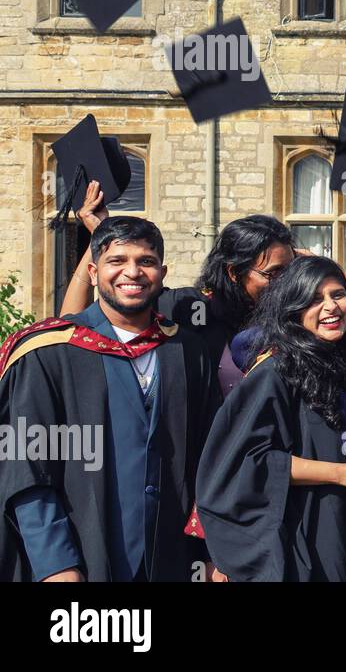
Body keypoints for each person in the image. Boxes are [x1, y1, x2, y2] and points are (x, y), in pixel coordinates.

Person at [0, 217, 223, 581]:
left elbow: (210, 461)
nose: (132, 272)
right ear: (93, 271)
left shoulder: (187, 351)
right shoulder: (49, 354)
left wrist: (213, 551)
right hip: (82, 558)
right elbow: (28, 469)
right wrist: (56, 565)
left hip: (172, 560)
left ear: (162, 272)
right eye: (117, 261)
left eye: (145, 261)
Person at [195, 256, 346, 581]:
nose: (330, 307)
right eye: (314, 299)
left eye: (337, 295)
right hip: (304, 532)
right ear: (293, 309)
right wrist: (341, 474)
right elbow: (245, 463)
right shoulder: (274, 373)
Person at [57, 182, 326, 395]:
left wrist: (315, 264)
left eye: (289, 271)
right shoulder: (189, 307)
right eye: (273, 273)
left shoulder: (297, 316)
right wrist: (100, 238)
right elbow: (71, 324)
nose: (285, 282)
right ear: (234, 272)